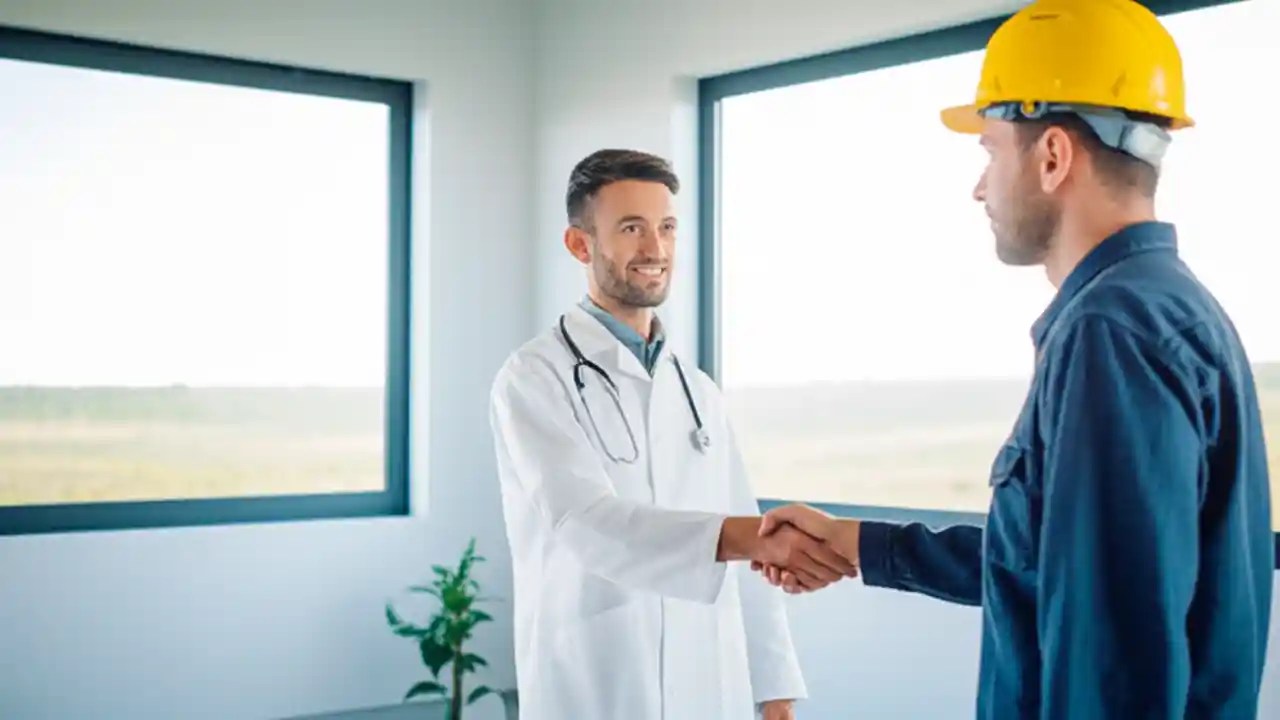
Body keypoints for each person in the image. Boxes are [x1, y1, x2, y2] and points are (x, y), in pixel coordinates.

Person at [756, 0, 1274, 718]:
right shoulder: (1167, 309)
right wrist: (859, 545)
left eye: (991, 151)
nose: (979, 186)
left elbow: (1113, 658)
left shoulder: (1111, 331)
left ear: (1053, 156)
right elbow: (1057, 563)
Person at [488, 148, 858, 720]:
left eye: (666, 228)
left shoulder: (697, 388)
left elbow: (744, 524)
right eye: (631, 228)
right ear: (580, 245)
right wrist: (751, 538)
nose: (655, 249)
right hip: (600, 675)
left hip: (709, 677)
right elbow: (585, 522)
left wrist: (774, 686)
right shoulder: (534, 377)